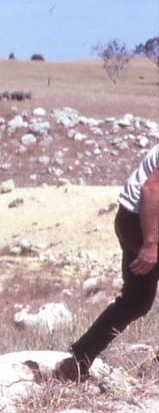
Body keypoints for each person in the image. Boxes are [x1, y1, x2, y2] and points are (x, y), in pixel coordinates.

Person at [57, 143, 159, 381]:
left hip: (133, 221)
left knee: (136, 302)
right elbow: (151, 190)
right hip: (143, 224)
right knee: (136, 301)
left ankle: (79, 359)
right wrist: (151, 243)